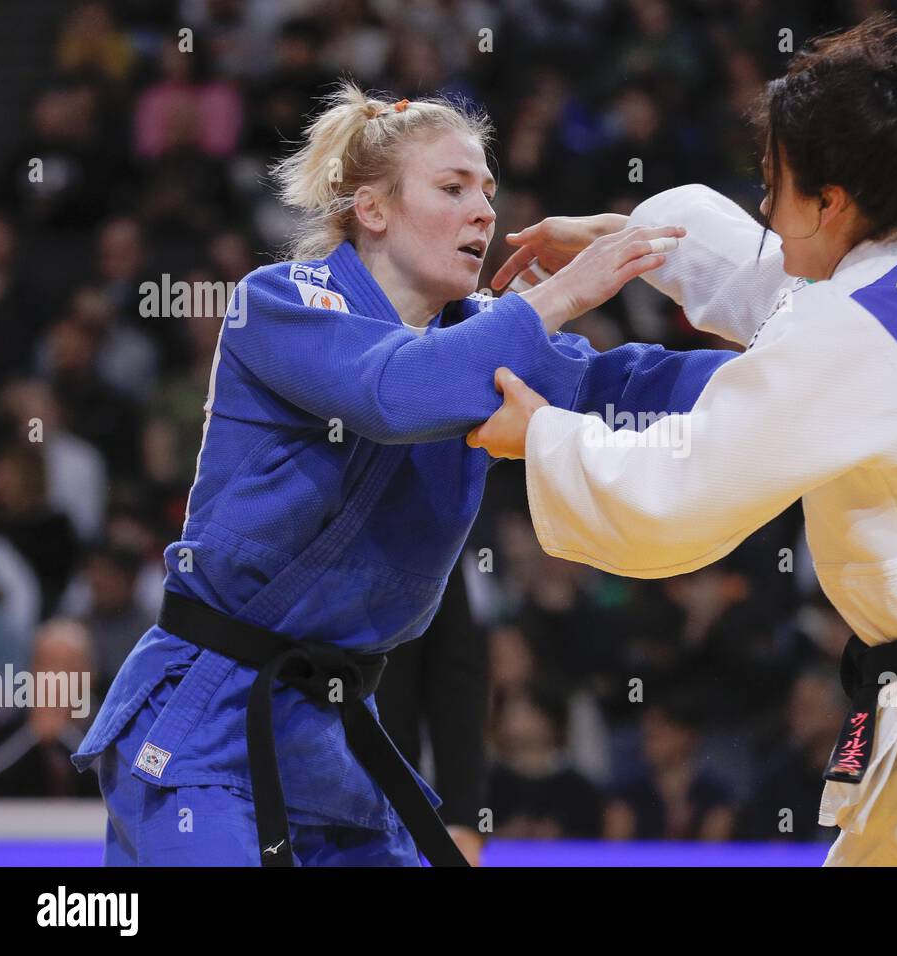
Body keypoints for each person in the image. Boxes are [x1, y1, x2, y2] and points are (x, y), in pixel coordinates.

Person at [473, 1, 897, 866]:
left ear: (832, 200)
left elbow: (684, 490)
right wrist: (632, 242)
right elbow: (799, 308)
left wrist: (544, 441)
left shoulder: (851, 333)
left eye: (772, 181)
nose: (760, 200)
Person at [71, 81, 734, 867]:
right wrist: (559, 295)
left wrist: (785, 362)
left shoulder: (485, 337)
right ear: (372, 210)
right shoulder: (279, 304)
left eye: (489, 191)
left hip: (328, 739)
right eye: (453, 189)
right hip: (206, 730)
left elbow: (621, 388)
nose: (485, 212)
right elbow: (391, 393)